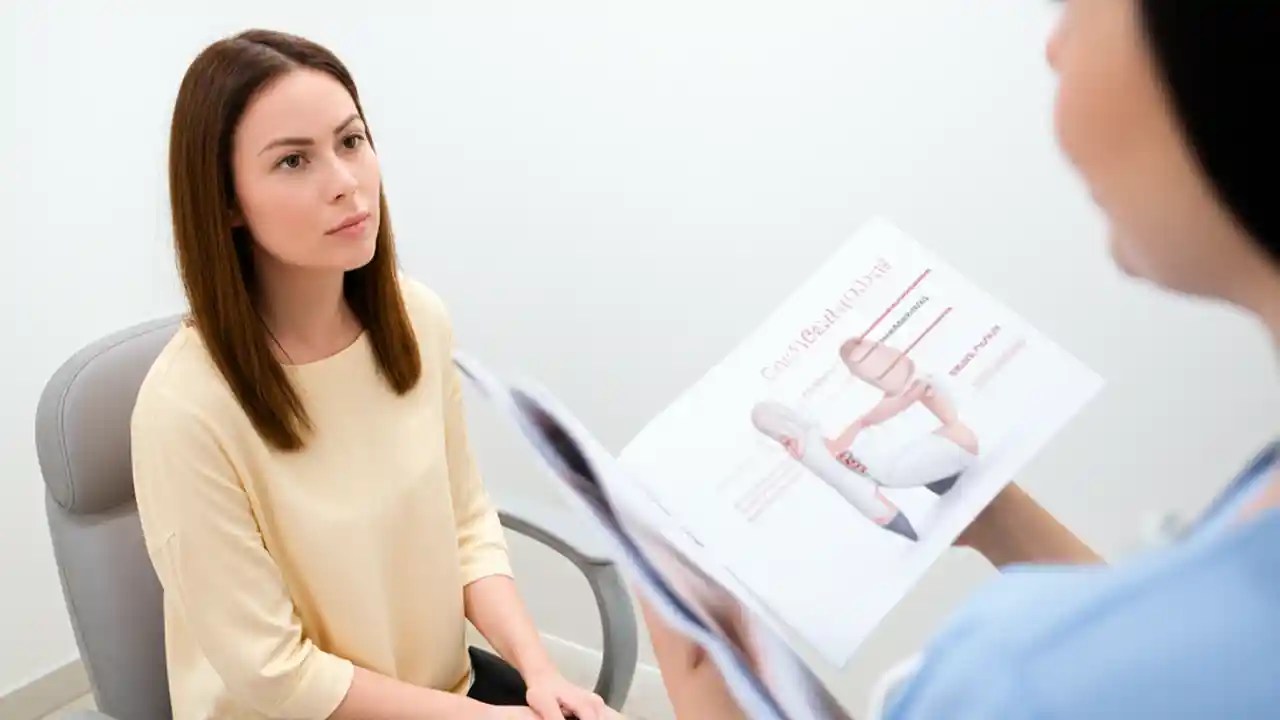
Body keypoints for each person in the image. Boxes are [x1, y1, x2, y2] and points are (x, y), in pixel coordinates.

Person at [644, 0, 1279, 717]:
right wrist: (994, 515)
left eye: (1073, 9)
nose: (1054, 49)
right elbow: (1177, 671)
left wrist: (700, 662)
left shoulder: (1013, 677)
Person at [130, 29, 615, 720]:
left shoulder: (416, 320)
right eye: (294, 161)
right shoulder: (185, 411)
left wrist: (541, 674)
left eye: (350, 141)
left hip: (442, 696)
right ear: (227, 201)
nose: (346, 183)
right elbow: (277, 677)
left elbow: (466, 524)